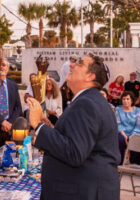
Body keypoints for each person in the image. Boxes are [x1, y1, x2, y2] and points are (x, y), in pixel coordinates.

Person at [26, 54, 120, 200]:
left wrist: (38, 125)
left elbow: (74, 152)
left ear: (89, 76)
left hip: (83, 191)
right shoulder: (89, 100)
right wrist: (49, 127)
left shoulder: (86, 103)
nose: (71, 65)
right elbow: (77, 141)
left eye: (79, 64)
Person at [0, 58, 22, 162]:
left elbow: (18, 107)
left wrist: (9, 123)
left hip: (9, 128)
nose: (1, 67)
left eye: (3, 65)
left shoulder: (13, 85)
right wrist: (2, 121)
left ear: (8, 68)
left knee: (9, 158)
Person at [115, 91, 140, 164]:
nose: (125, 101)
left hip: (134, 133)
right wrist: (124, 136)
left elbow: (138, 126)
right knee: (119, 139)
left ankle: (135, 165)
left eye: (128, 99)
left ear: (132, 100)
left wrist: (131, 136)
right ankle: (119, 164)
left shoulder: (137, 110)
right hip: (122, 133)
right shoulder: (118, 109)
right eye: (124, 99)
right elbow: (118, 124)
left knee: (135, 140)